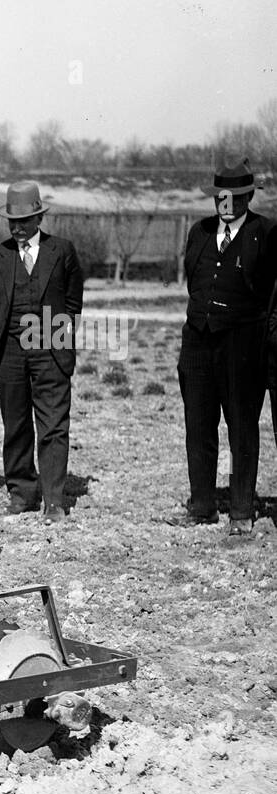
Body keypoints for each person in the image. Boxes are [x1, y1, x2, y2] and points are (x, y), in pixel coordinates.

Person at [176, 156, 277, 537]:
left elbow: (269, 291)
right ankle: (201, 505)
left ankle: (240, 510)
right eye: (221, 195)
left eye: (235, 196)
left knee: (241, 428)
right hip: (198, 342)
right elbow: (192, 279)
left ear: (248, 197)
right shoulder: (199, 232)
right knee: (199, 425)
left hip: (242, 345)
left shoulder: (265, 234)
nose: (226, 202)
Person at [0, 180, 85, 526]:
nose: (18, 227)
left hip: (51, 349)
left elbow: (72, 303)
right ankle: (22, 492)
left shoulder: (63, 251)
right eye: (13, 221)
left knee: (54, 425)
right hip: (10, 351)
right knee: (16, 424)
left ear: (39, 218)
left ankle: (53, 499)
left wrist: (59, 338)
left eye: (25, 220)